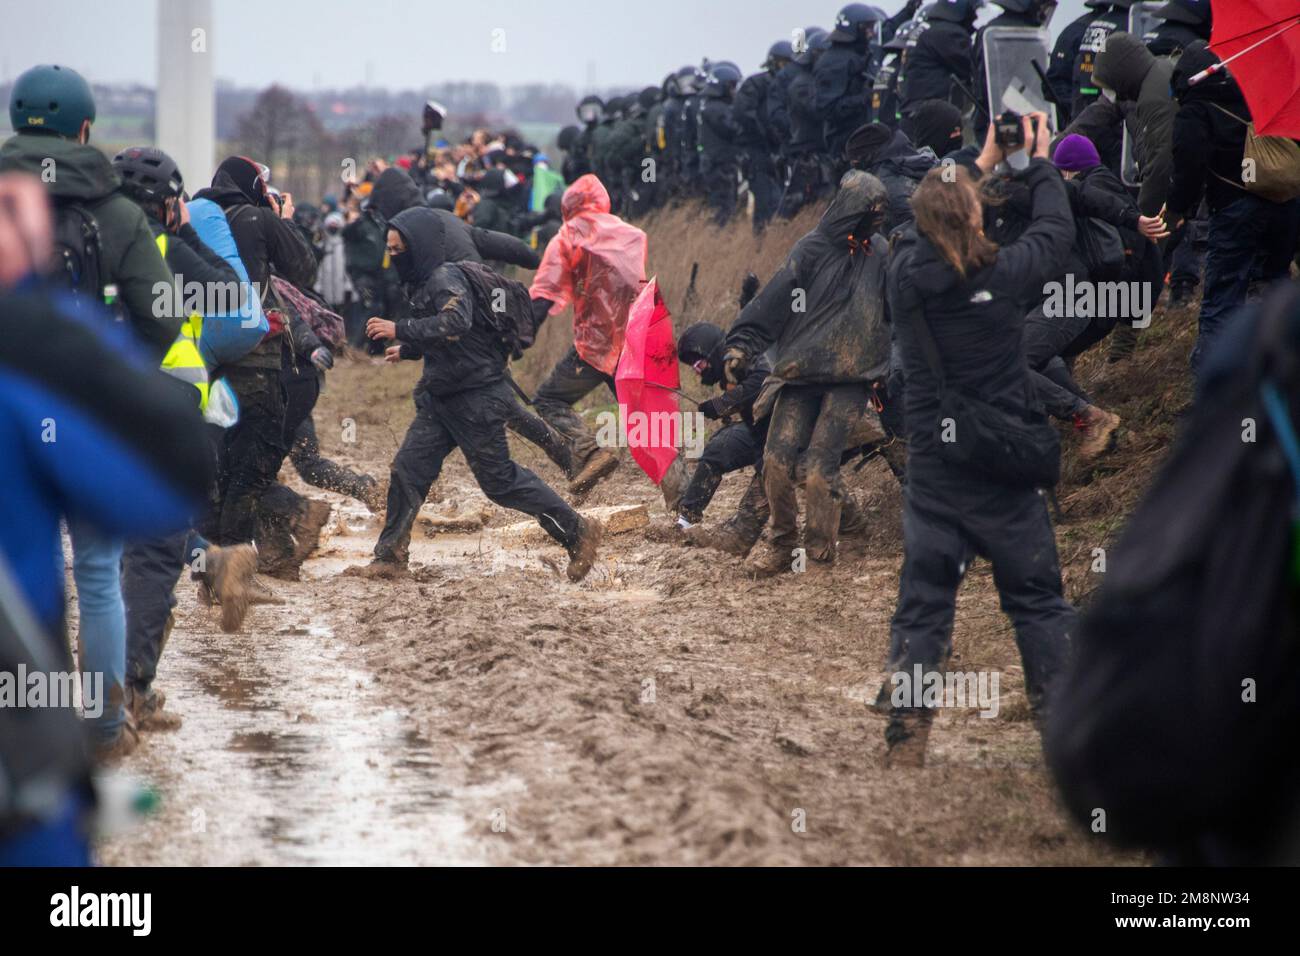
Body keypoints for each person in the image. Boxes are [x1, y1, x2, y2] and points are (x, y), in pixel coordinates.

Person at [880, 114, 1076, 767]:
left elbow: (924, 220)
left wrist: (981, 160)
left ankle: (908, 734)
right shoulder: (1008, 276)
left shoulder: (905, 275)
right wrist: (1038, 161)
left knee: (925, 598)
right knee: (1037, 599)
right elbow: (1055, 233)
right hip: (1005, 459)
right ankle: (1061, 730)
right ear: (976, 215)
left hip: (937, 463)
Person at [0, 171, 214, 762]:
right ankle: (108, 718)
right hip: (141, 414)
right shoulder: (142, 250)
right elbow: (167, 486)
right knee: (100, 569)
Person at [360, 207, 602, 581]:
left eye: (398, 250)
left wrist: (400, 328)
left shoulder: (444, 276)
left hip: (475, 397)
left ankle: (577, 531)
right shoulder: (426, 281)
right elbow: (453, 338)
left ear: (419, 246)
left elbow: (456, 322)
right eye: (389, 251)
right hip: (443, 398)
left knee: (500, 483)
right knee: (408, 470)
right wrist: (408, 349)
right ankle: (389, 555)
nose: (393, 258)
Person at [110, 145, 260, 726]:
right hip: (163, 409)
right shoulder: (166, 246)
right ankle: (129, 696)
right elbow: (235, 298)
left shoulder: (84, 241)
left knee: (110, 546)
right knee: (149, 548)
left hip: (82, 410)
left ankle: (209, 561)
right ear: (167, 203)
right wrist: (185, 232)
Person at [723, 169, 892, 576]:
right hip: (800, 376)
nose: (872, 224)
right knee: (777, 464)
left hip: (851, 381)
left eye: (879, 216)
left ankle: (819, 553)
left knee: (819, 471)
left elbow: (898, 314)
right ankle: (781, 545)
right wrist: (741, 346)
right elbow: (773, 302)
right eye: (867, 215)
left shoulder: (883, 255)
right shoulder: (811, 250)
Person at [192, 156, 318, 561]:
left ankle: (244, 563)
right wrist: (283, 220)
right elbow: (304, 270)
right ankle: (241, 565)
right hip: (257, 360)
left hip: (201, 362)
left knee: (218, 468)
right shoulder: (255, 219)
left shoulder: (193, 225)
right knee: (252, 467)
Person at [1165, 42, 1300, 377]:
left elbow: (1189, 164)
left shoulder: (1195, 110)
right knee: (1274, 288)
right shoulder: (1259, 94)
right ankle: (1279, 372)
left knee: (1222, 299)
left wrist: (1178, 208)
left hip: (1234, 209)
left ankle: (1214, 383)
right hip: (1284, 206)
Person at [528, 175, 656, 497]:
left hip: (593, 347)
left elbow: (544, 291)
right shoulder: (632, 235)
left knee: (548, 399)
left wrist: (521, 335)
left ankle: (590, 452)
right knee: (648, 425)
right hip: (634, 342)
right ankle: (686, 503)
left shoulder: (568, 235)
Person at [816, 4, 884, 167]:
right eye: (867, 28)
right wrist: (864, 98)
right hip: (846, 146)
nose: (871, 33)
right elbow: (828, 108)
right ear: (856, 29)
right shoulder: (834, 63)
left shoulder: (859, 54)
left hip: (864, 140)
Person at [897, 0, 979, 131]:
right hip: (933, 118)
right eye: (974, 12)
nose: (976, 17)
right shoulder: (947, 33)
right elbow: (974, 68)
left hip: (914, 113)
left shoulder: (927, 28)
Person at [734, 44, 790, 232]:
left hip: (779, 151)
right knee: (765, 201)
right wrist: (765, 134)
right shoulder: (756, 84)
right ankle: (761, 244)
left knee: (781, 198)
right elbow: (743, 113)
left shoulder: (789, 84)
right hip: (758, 152)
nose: (786, 68)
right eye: (783, 63)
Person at [697, 62, 744, 226]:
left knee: (723, 205)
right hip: (719, 166)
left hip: (717, 165)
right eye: (732, 86)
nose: (734, 91)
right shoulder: (716, 108)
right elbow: (734, 129)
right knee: (723, 208)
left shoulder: (710, 106)